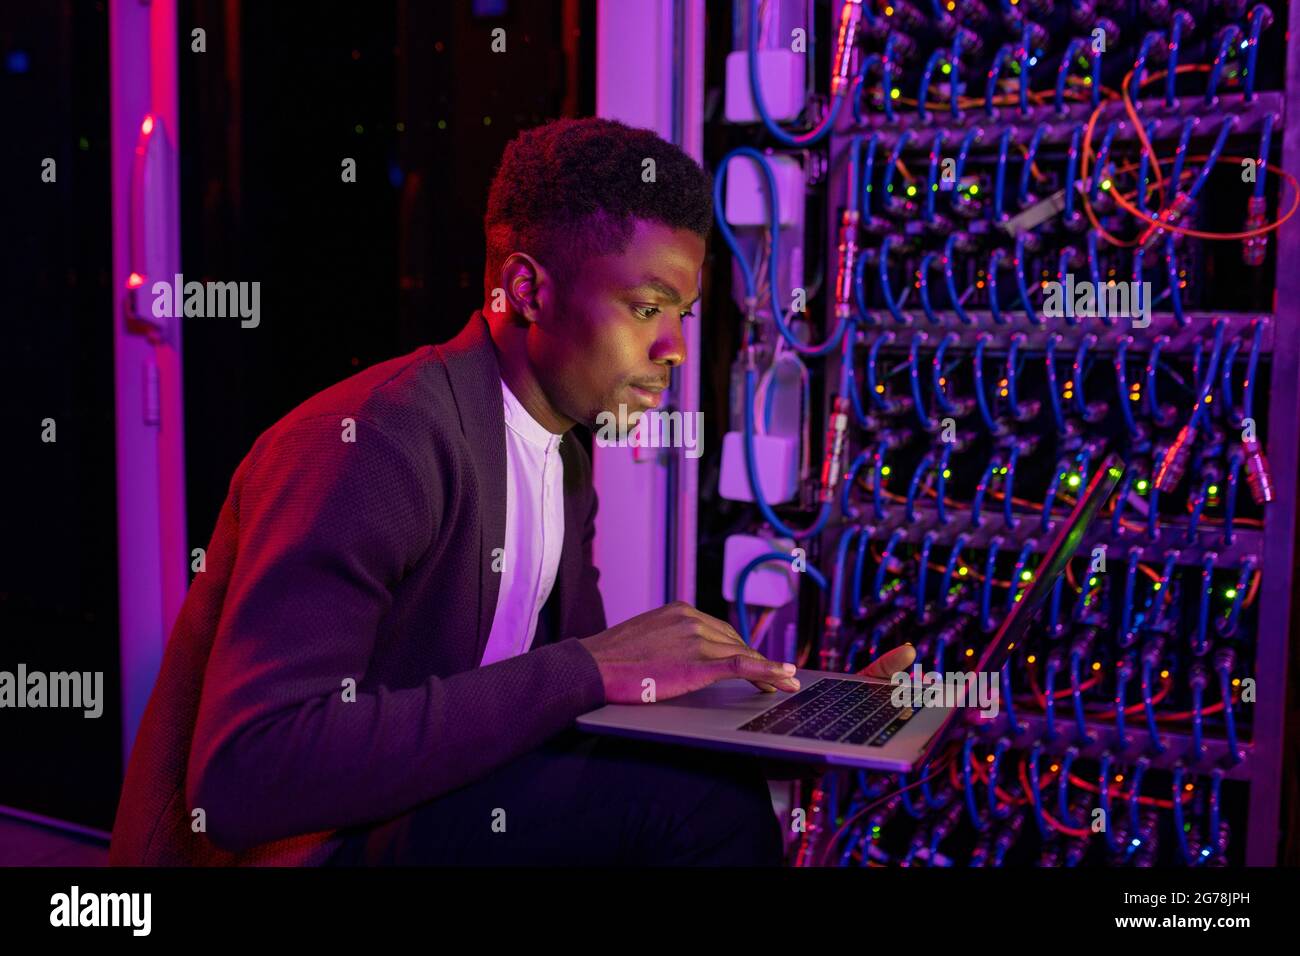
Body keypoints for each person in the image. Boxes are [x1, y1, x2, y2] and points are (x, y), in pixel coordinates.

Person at [109, 116, 914, 867]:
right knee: (697, 814)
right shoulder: (375, 442)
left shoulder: (562, 453)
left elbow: (568, 702)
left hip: (432, 806)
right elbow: (248, 775)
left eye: (684, 315)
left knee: (711, 788)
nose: (674, 348)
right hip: (314, 846)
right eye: (646, 308)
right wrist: (591, 667)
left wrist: (769, 705)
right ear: (527, 292)